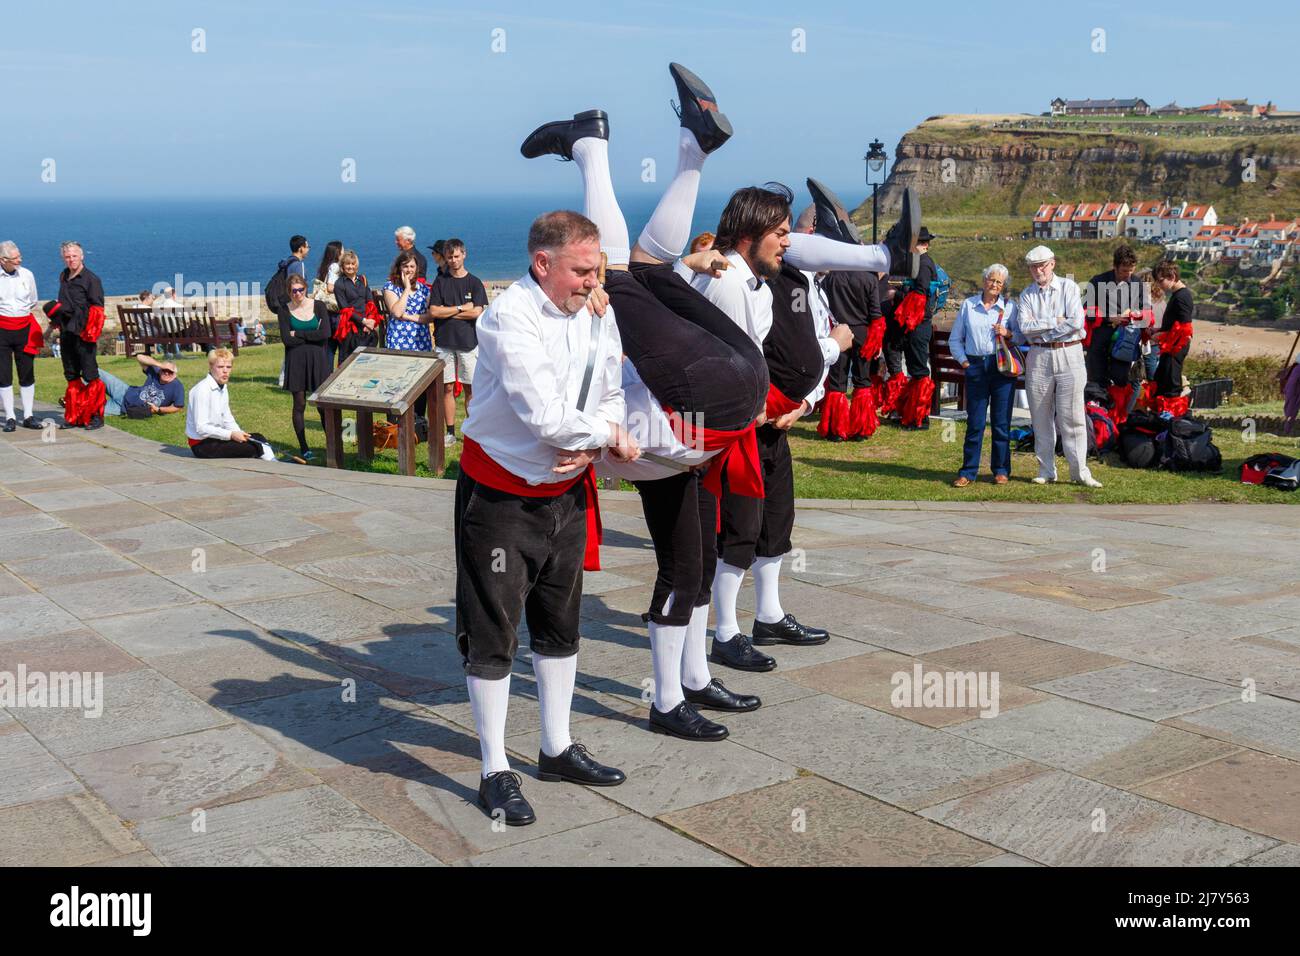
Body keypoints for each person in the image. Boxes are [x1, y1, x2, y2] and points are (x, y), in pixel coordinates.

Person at [521, 63, 772, 742]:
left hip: (720, 397)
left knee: (630, 270)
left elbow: (579, 414)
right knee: (646, 267)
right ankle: (683, 686)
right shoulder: (627, 432)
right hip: (731, 387)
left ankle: (598, 145)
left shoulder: (609, 429)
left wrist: (601, 320)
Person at [455, 210, 639, 826]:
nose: (593, 281)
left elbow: (612, 385)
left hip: (567, 490)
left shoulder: (598, 310)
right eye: (582, 270)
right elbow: (543, 416)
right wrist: (607, 435)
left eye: (597, 269)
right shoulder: (509, 318)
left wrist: (592, 440)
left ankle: (556, 746)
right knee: (494, 631)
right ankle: (493, 769)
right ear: (542, 264)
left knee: (561, 622)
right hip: (501, 497)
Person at [1015, 245, 1102, 488]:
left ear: (1052, 263)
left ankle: (1079, 471)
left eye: (1042, 265)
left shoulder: (1069, 287)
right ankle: (1046, 469)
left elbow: (1075, 321)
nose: (1038, 270)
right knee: (1040, 416)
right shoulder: (1026, 295)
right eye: (1033, 266)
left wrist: (1043, 331)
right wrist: (1055, 323)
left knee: (1072, 416)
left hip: (1069, 354)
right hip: (1040, 357)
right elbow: (1024, 326)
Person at [949, 264, 1017, 486]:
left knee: (1001, 422)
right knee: (975, 422)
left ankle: (1001, 469)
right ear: (984, 280)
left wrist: (1008, 333)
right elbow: (955, 339)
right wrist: (965, 362)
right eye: (991, 279)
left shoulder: (1009, 308)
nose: (994, 284)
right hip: (977, 366)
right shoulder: (969, 306)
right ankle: (968, 471)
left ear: (1003, 285)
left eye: (999, 282)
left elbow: (1021, 338)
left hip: (1001, 369)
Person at [428, 239, 488, 447]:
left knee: (471, 389)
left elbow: (477, 312)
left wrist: (448, 311)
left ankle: (471, 432)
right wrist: (461, 308)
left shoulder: (474, 282)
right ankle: (450, 432)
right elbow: (434, 311)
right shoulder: (440, 282)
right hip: (444, 342)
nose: (453, 260)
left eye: (456, 256)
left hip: (468, 343)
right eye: (449, 257)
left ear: (464, 254)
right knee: (446, 388)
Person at [47, 242, 107, 429]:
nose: (71, 259)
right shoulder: (64, 276)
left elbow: (98, 310)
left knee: (90, 375)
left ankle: (96, 416)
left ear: (82, 256)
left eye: (74, 256)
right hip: (66, 333)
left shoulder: (91, 280)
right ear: (63, 258)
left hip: (84, 334)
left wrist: (90, 334)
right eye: (67, 256)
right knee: (71, 375)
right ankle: (75, 415)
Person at [1085, 244, 1150, 411]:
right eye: (1123, 271)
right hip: (1100, 337)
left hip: (1126, 340)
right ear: (1114, 266)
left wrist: (1134, 313)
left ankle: (1118, 417)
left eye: (1130, 271)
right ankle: (1098, 418)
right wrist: (1109, 317)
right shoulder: (1098, 281)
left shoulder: (1137, 282)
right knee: (1096, 379)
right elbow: (1086, 310)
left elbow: (1146, 310)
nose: (1127, 275)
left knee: (1121, 380)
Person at [186, 348, 275, 460]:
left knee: (258, 438)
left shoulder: (222, 387)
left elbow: (227, 417)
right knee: (253, 448)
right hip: (202, 445)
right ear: (210, 366)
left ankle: (274, 462)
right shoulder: (201, 390)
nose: (225, 371)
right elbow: (202, 428)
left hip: (217, 438)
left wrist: (239, 433)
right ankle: (274, 464)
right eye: (220, 367)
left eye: (228, 367)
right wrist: (231, 435)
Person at [278, 274, 332, 461]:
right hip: (296, 361)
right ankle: (304, 447)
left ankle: (331, 444)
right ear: (289, 292)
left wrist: (299, 333)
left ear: (305, 288)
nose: (298, 294)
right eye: (294, 291)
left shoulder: (319, 306)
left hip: (318, 360)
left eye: (301, 290)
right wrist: (311, 333)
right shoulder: (284, 311)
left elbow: (325, 333)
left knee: (323, 406)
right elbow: (287, 340)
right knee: (299, 404)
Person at [382, 249, 434, 424]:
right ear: (399, 267)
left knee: (420, 383)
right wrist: (405, 289)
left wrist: (410, 317)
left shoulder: (424, 290)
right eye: (406, 266)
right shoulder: (390, 287)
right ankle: (396, 421)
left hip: (420, 340)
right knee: (397, 383)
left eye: (412, 266)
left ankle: (418, 421)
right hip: (398, 341)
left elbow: (430, 316)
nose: (409, 269)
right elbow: (396, 311)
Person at [0, 241, 43, 431]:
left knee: (26, 371)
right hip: (2, 329)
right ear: (3, 260)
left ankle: (28, 415)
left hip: (24, 327)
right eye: (15, 258)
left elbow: (33, 300)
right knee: (3, 374)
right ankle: (10, 416)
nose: (20, 260)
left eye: (20, 256)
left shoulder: (27, 275)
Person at [1152, 259, 1194, 400]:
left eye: (1160, 280)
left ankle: (1172, 415)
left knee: (1171, 384)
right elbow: (1174, 324)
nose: (1158, 284)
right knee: (1161, 381)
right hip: (1171, 345)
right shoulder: (1178, 295)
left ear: (1172, 277)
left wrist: (1161, 335)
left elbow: (1185, 328)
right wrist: (1159, 330)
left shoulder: (1182, 296)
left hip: (1176, 346)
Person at [98, 353, 185, 418]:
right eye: (164, 370)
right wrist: (160, 365)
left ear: (175, 374)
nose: (166, 373)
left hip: (123, 408)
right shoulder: (156, 372)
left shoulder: (177, 386)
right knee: (95, 371)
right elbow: (140, 357)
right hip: (123, 390)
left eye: (170, 372)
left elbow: (178, 407)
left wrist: (159, 410)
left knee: (90, 410)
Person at [332, 250, 378, 360]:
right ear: (342, 266)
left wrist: (370, 321)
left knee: (368, 359)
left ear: (356, 265)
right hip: (350, 327)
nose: (350, 267)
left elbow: (370, 301)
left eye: (353, 264)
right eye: (347, 264)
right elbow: (345, 308)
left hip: (366, 327)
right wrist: (363, 321)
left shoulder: (363, 279)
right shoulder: (339, 284)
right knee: (348, 359)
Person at [314, 240, 344, 368]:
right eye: (342, 250)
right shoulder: (335, 267)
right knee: (341, 346)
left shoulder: (324, 267)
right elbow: (331, 288)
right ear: (338, 252)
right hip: (335, 313)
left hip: (326, 313)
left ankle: (325, 377)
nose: (344, 252)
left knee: (329, 348)